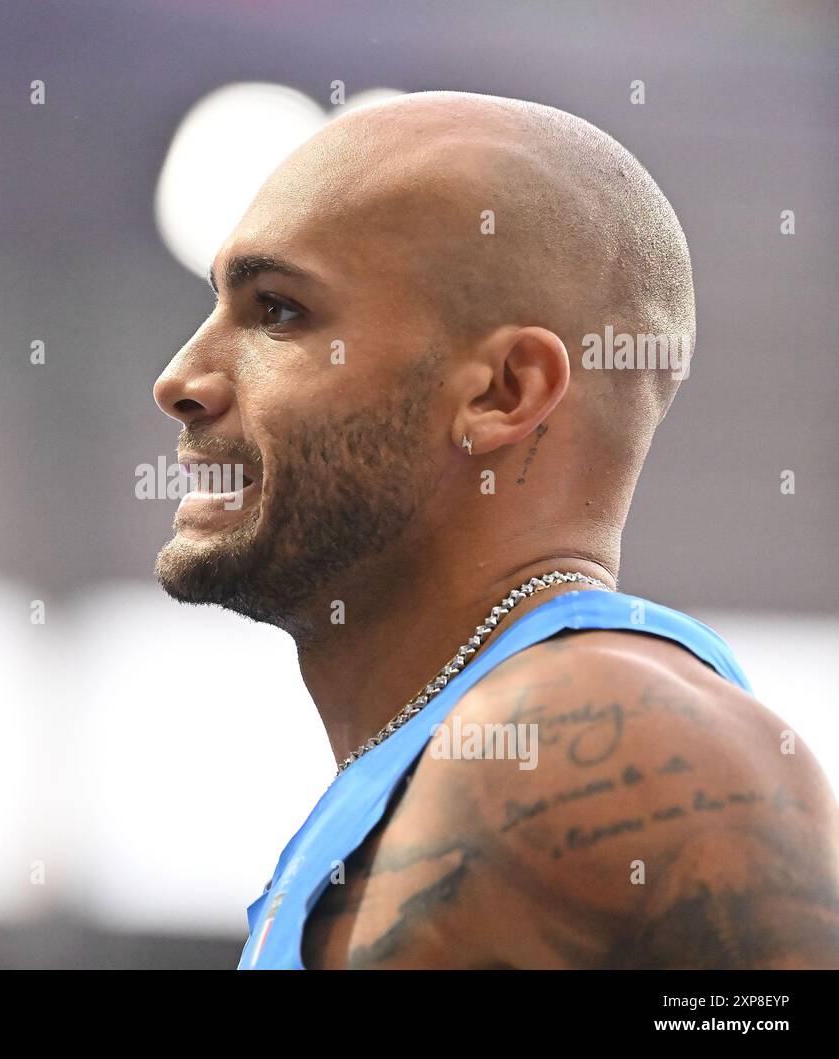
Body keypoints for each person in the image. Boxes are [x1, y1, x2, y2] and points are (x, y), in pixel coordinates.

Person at [151, 91, 839, 969]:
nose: (181, 378)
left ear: (503, 392)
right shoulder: (434, 762)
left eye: (279, 311)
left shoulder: (602, 737)